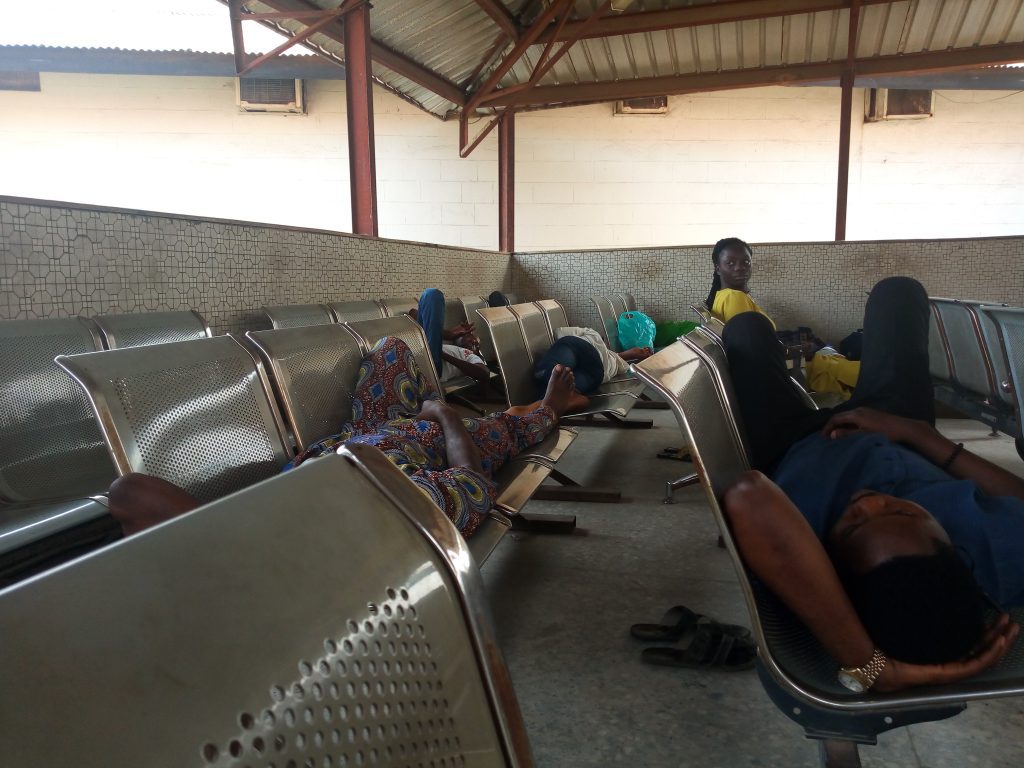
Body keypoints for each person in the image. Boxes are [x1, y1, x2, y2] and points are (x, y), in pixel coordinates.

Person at [720, 276, 1021, 693]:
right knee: (898, 292)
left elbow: (749, 496)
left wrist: (870, 666)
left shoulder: (807, 560)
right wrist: (921, 436)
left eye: (854, 522)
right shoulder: (991, 552)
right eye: (904, 510)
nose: (873, 501)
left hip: (792, 443)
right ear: (953, 546)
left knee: (746, 330)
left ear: (836, 567)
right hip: (895, 423)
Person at [108, 336, 577, 540]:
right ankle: (549, 409)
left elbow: (130, 494)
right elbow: (474, 483)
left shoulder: (377, 500)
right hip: (419, 438)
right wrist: (447, 417)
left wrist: (313, 455)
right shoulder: (405, 496)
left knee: (129, 492)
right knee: (505, 426)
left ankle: (545, 408)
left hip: (370, 441)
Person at [705, 237, 860, 397]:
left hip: (788, 364)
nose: (740, 268)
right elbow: (751, 352)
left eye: (746, 262)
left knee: (840, 365)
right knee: (854, 372)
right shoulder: (733, 298)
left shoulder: (724, 296)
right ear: (718, 268)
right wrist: (797, 349)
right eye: (730, 263)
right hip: (789, 369)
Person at [532, 325, 652, 410]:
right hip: (596, 371)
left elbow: (559, 332)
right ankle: (564, 398)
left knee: (548, 373)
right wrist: (624, 355)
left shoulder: (591, 334)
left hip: (581, 349)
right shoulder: (616, 361)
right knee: (563, 387)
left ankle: (550, 394)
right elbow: (620, 366)